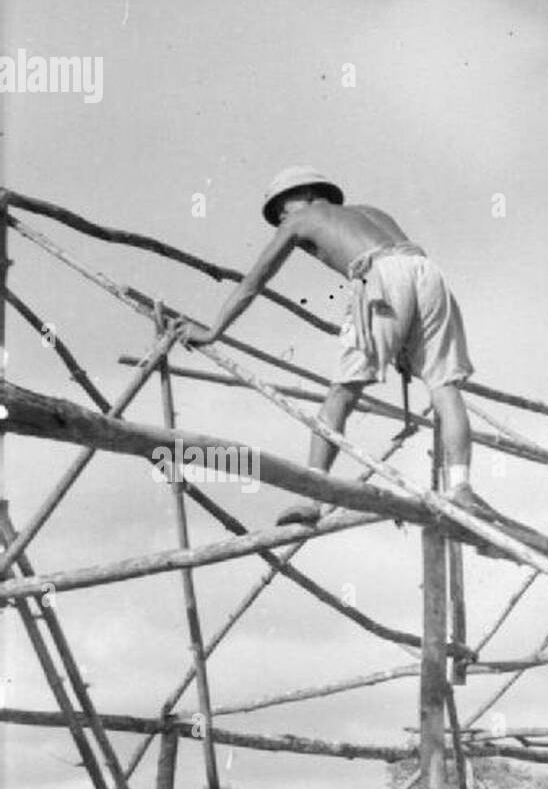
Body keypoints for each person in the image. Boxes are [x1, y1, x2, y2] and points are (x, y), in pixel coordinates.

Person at [181, 167, 481, 528]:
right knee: (444, 388)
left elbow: (254, 280)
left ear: (305, 194)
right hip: (426, 272)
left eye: (282, 208)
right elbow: (406, 276)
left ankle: (312, 495)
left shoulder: (301, 219)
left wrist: (213, 330)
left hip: (380, 276)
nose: (281, 217)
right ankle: (461, 488)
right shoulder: (373, 213)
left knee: (342, 391)